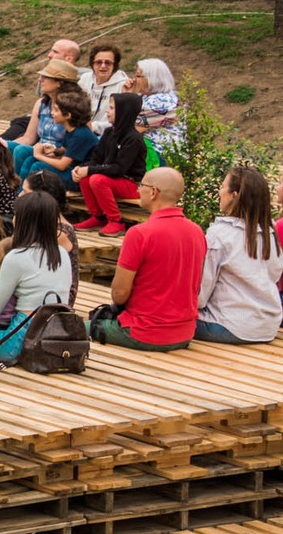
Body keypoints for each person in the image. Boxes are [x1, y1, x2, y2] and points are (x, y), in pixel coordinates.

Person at [91, 168, 206, 352]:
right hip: (184, 333)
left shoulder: (139, 233)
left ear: (153, 192)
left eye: (141, 185)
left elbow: (119, 294)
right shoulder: (197, 232)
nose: (137, 190)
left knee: (76, 327)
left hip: (144, 332)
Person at [0, 191, 73, 364]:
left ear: (23, 220)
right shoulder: (61, 253)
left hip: (23, 337)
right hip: (56, 331)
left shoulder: (16, 257)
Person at [197, 168, 283, 344]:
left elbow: (201, 292)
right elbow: (274, 273)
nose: (220, 192)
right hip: (267, 326)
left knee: (167, 321)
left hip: (229, 326)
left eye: (222, 187)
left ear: (233, 195)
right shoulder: (270, 231)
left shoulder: (220, 233)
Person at [74, 93, 148, 234]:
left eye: (112, 108)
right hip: (113, 180)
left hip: (132, 184)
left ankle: (116, 222)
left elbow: (119, 169)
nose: (107, 111)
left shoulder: (133, 139)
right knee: (85, 178)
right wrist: (82, 169)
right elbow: (96, 158)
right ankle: (98, 217)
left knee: (97, 179)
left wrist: (90, 170)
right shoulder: (109, 133)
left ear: (124, 112)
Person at [130, 57, 183, 151]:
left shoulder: (161, 101)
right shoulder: (145, 97)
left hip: (160, 154)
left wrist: (126, 97)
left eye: (138, 76)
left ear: (151, 79)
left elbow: (131, 129)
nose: (134, 79)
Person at [81, 45, 128, 131]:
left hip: (106, 134)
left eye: (108, 63)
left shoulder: (123, 85)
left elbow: (121, 120)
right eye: (99, 62)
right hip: (82, 129)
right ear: (92, 64)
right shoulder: (85, 79)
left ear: (115, 65)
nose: (103, 66)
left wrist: (93, 126)